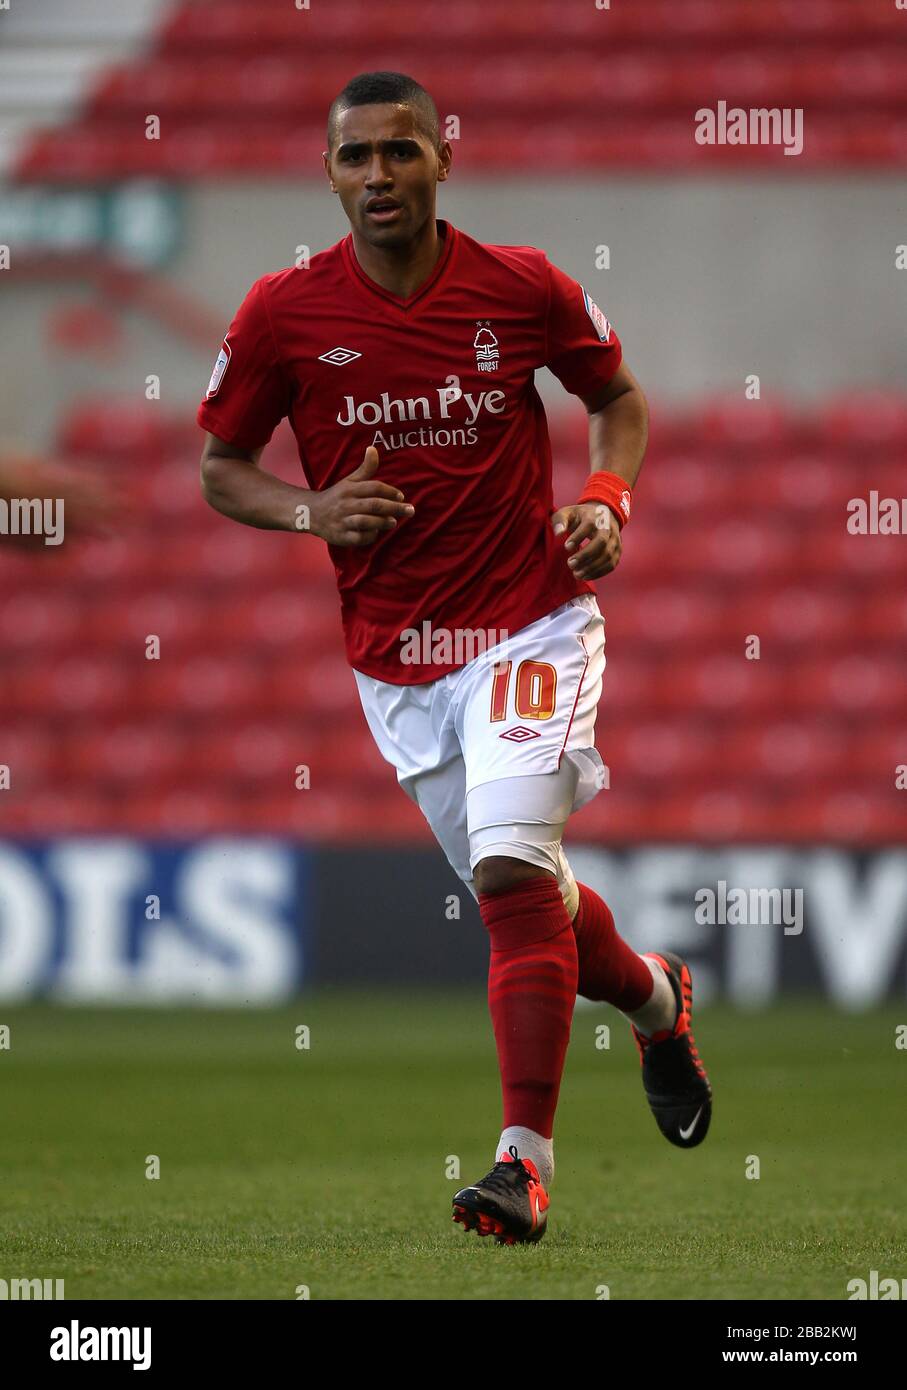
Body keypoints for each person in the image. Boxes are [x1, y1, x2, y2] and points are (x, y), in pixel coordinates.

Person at [197, 70, 711, 1246]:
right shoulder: (282, 314)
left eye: (399, 151)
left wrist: (607, 498)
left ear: (442, 158)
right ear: (328, 176)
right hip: (399, 665)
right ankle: (653, 996)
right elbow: (222, 469)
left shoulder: (522, 286)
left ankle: (519, 1165)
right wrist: (308, 513)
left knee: (508, 875)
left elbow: (616, 398)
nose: (377, 175)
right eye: (354, 159)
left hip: (531, 623)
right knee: (523, 895)